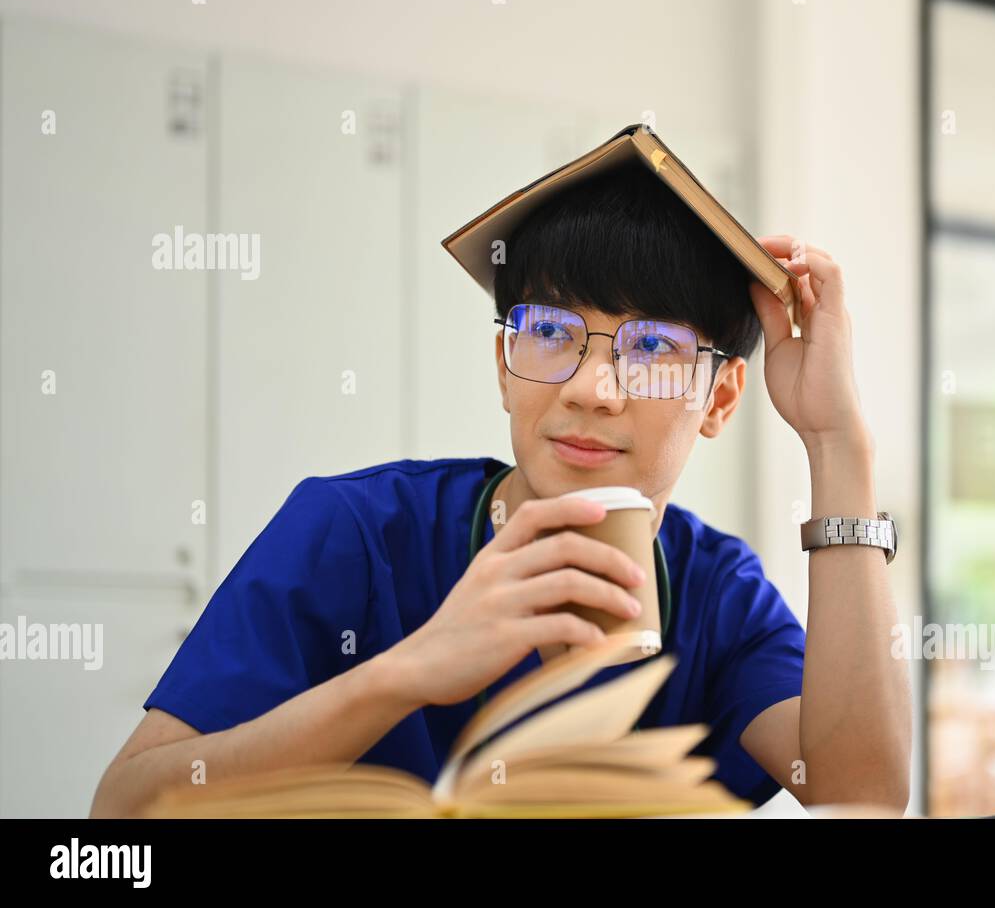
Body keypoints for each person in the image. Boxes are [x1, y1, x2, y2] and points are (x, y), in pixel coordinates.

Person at [90, 161, 911, 817]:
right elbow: (124, 815)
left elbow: (861, 791)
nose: (593, 387)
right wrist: (406, 672)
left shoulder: (717, 595)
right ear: (504, 368)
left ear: (720, 399)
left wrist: (836, 441)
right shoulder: (356, 533)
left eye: (652, 345)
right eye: (550, 333)